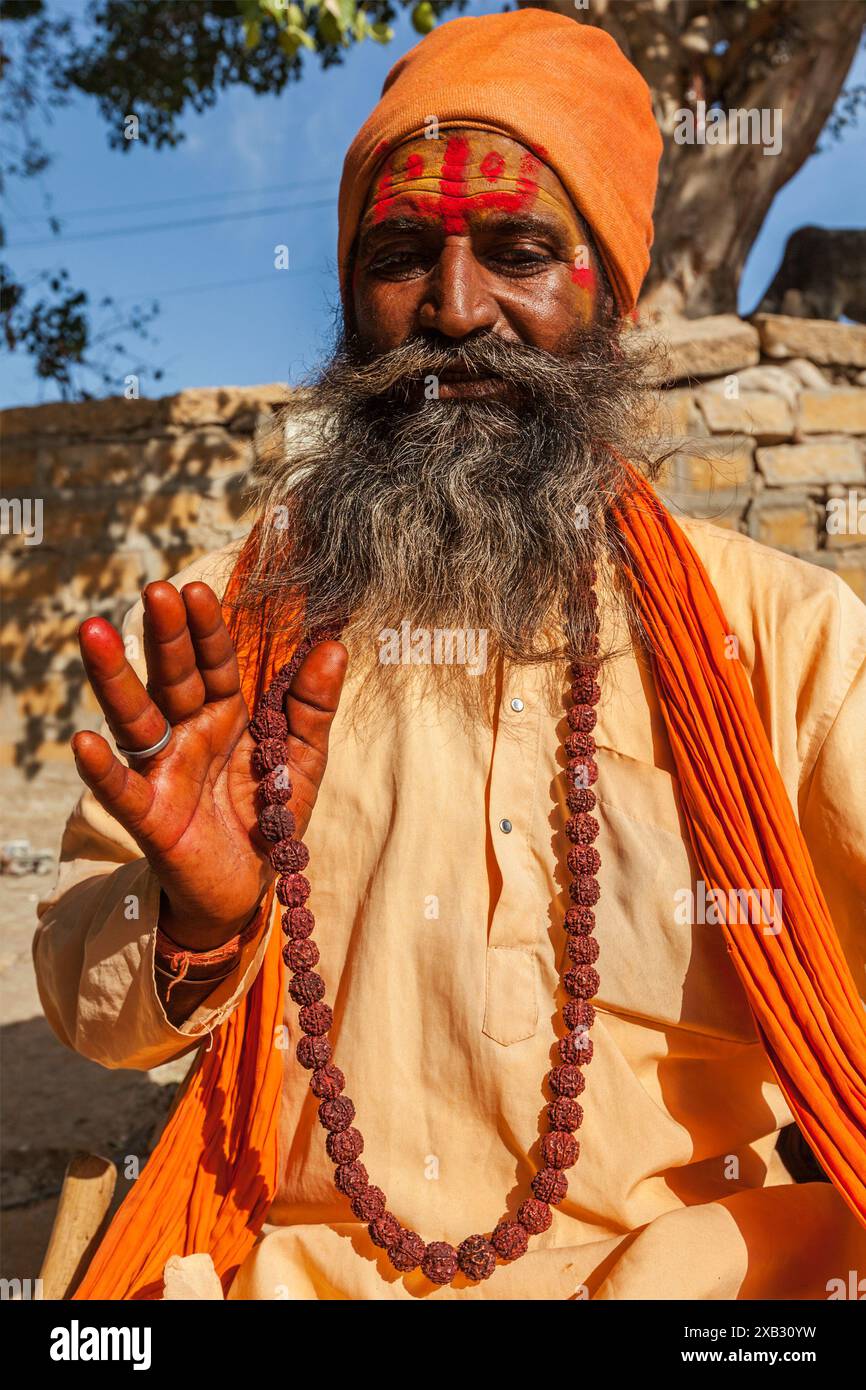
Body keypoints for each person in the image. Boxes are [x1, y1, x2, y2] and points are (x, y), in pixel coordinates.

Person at [34, 9, 866, 1301]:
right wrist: (200, 922)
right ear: (350, 293)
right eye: (402, 253)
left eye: (520, 252)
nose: (456, 308)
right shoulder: (225, 635)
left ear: (608, 292)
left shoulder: (780, 639)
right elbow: (97, 1022)